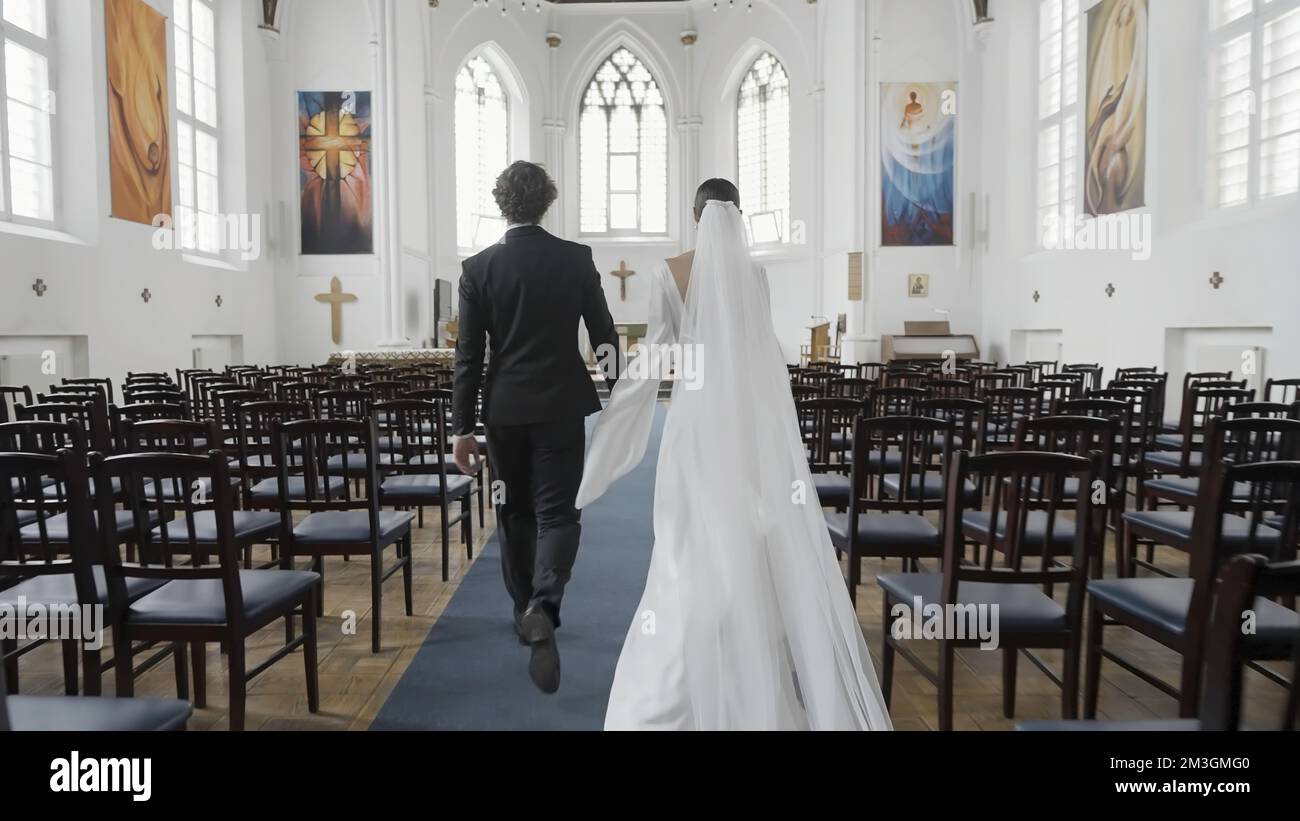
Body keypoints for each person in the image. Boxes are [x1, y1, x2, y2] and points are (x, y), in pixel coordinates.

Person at [576, 179, 893, 730]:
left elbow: (656, 355)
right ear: (737, 215)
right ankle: (745, 671)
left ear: (695, 214)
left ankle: (677, 682)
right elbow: (757, 353)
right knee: (746, 538)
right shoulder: (756, 274)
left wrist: (615, 424)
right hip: (745, 425)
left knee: (683, 548)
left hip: (694, 426)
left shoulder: (668, 272)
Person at [452, 161, 620, 694]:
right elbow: (604, 334)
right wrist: (618, 394)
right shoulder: (575, 259)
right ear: (546, 202)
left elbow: (468, 356)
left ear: (503, 204)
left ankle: (525, 605)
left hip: (503, 412)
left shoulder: (478, 268)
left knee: (514, 509)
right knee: (558, 512)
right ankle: (545, 604)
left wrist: (461, 429)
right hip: (561, 407)